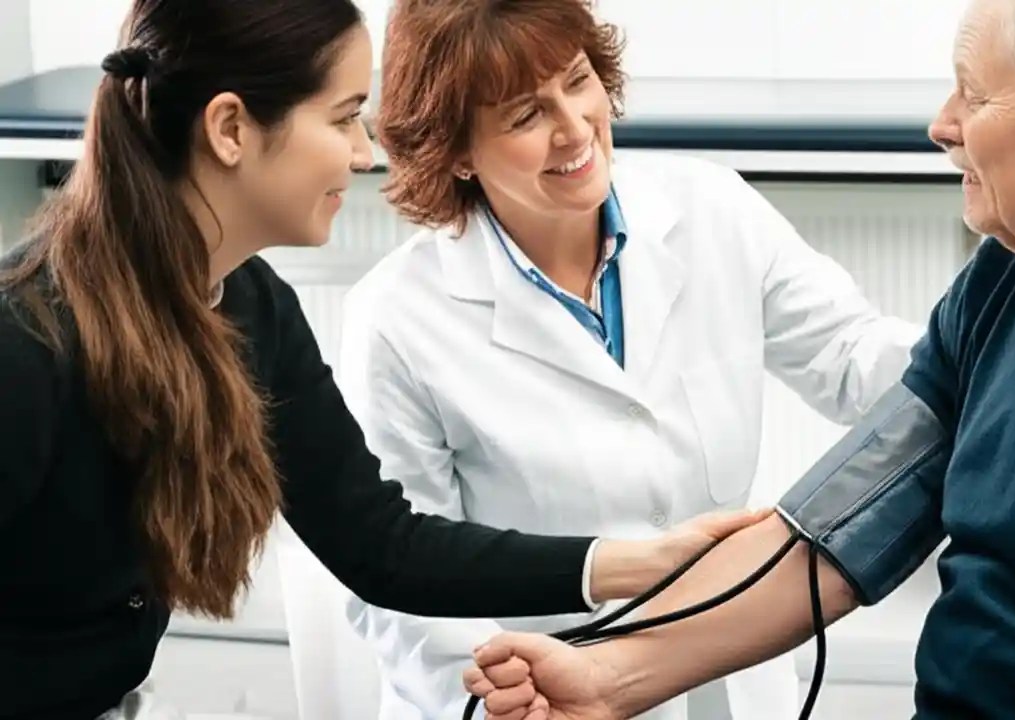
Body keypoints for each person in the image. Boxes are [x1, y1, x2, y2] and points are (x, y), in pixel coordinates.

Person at [464, 0, 1015, 718]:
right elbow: (834, 534)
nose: (942, 124)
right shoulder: (1001, 284)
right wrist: (606, 677)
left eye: (975, 92)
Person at [0, 2, 769, 718]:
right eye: (343, 120)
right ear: (230, 128)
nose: (366, 155)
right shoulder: (24, 349)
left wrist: (639, 562)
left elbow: (382, 547)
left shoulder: (249, 306)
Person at [337, 1, 922, 719]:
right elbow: (401, 582)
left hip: (724, 683)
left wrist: (994, 342)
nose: (575, 127)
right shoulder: (398, 320)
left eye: (577, 81)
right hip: (537, 697)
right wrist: (504, 696)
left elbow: (857, 360)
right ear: (455, 151)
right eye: (526, 116)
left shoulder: (710, 210)